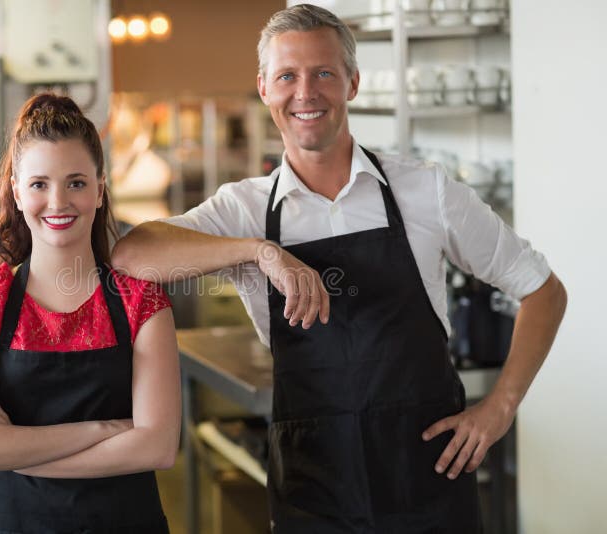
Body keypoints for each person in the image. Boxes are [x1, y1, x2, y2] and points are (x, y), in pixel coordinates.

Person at [112, 4, 567, 532]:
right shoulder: (245, 209)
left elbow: (543, 290)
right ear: (264, 88)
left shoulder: (426, 190)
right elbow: (132, 254)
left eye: (324, 73)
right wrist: (260, 251)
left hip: (430, 480)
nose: (305, 93)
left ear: (352, 82)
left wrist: (500, 407)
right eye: (287, 76)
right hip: (314, 492)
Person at [0, 93, 180, 534]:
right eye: (39, 184)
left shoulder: (142, 302)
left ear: (100, 189)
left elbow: (159, 447)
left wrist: (15, 451)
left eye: (75, 183)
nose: (58, 202)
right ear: (17, 191)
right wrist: (103, 430)